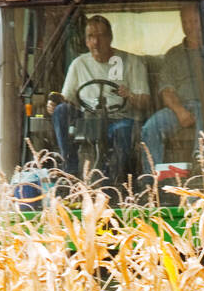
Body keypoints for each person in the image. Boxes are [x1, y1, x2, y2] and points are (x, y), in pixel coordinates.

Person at [47, 15, 150, 185]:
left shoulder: (132, 62)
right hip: (88, 120)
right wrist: (55, 103)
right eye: (91, 37)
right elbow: (67, 99)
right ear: (86, 41)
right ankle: (70, 170)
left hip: (120, 119)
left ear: (110, 38)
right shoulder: (78, 64)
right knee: (61, 111)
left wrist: (130, 95)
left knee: (123, 132)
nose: (96, 42)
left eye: (101, 36)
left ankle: (112, 182)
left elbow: (145, 101)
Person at [140, 4, 204, 173]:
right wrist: (180, 111)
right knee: (150, 127)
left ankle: (202, 166)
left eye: (194, 21)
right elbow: (166, 90)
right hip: (182, 107)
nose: (190, 26)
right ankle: (151, 180)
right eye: (185, 22)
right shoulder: (174, 55)